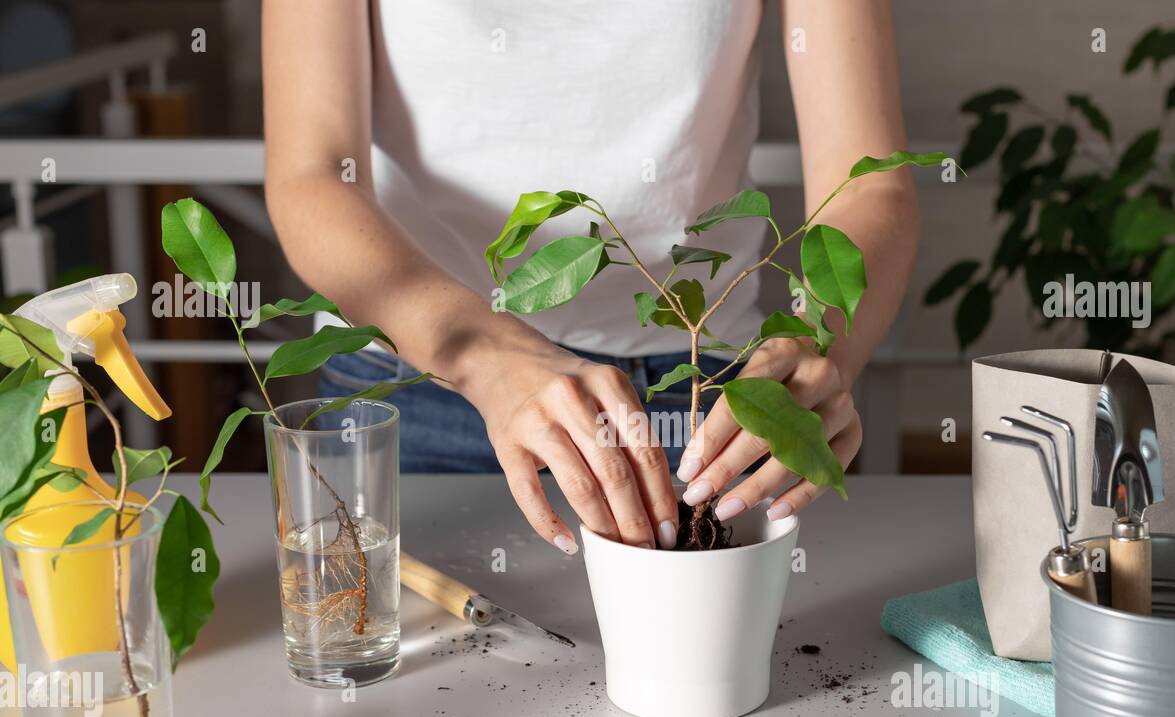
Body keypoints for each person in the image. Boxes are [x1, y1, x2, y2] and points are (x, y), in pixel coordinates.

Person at [263, 0, 918, 553]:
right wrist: (485, 358)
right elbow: (311, 176)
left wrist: (820, 342)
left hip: (700, 406)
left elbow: (868, 184)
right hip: (412, 386)